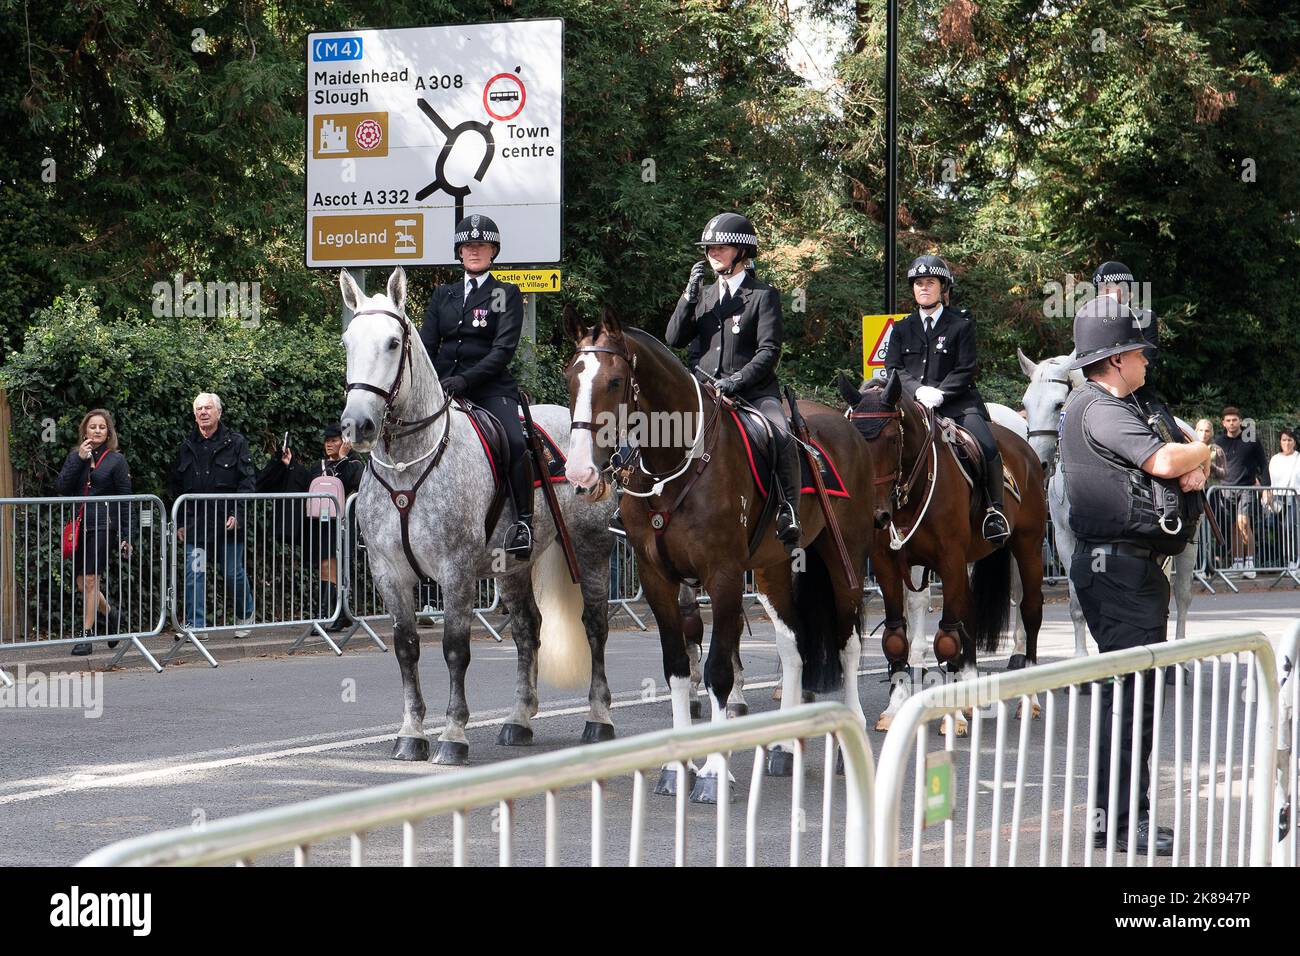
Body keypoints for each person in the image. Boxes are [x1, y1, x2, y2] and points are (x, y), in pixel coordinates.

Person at [1059, 295, 1209, 855]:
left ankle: (1118, 818)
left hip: (1126, 569)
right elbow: (1168, 462)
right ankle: (1123, 823)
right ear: (1117, 357)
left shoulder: (1116, 405)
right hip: (1118, 570)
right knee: (1131, 699)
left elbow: (1170, 464)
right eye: (1140, 350)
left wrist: (1187, 462)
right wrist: (1199, 450)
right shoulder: (1102, 408)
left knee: (1132, 696)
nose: (1147, 358)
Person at [665, 212, 800, 555]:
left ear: (741, 252)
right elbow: (674, 338)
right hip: (704, 393)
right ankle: (641, 504)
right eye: (709, 248)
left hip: (753, 394)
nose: (712, 253)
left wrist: (737, 380)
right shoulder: (705, 295)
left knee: (781, 434)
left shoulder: (763, 295)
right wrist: (688, 295)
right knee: (658, 429)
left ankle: (788, 510)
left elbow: (769, 351)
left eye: (720, 247)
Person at [420, 214, 533, 559]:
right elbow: (426, 345)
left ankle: (524, 522)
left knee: (515, 440)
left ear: (493, 251)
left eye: (481, 245)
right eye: (468, 246)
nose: (474, 251)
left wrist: (466, 379)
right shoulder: (443, 295)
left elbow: (502, 351)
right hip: (442, 387)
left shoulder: (506, 293)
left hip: (489, 388)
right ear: (459, 251)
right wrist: (432, 383)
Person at [885, 254, 1009, 544]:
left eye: (930, 282)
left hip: (957, 403)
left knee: (987, 446)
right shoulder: (901, 329)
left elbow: (966, 369)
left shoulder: (960, 326)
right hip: (913, 405)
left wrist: (941, 392)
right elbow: (894, 369)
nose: (923, 288)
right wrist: (917, 390)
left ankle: (994, 510)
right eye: (918, 283)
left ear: (943, 287)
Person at [256, 423, 364, 630]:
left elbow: (354, 482)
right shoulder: (319, 465)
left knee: (333, 566)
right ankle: (335, 613)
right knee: (326, 566)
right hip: (320, 526)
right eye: (327, 441)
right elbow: (305, 482)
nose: (329, 444)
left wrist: (342, 458)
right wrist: (291, 464)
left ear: (345, 442)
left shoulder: (354, 464)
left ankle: (327, 614)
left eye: (334, 440)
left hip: (341, 525)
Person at [169, 392, 256, 636]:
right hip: (196, 524)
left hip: (226, 523)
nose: (203, 412)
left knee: (231, 573)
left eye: (208, 408)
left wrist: (238, 514)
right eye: (199, 409)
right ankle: (196, 626)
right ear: (195, 415)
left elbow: (247, 482)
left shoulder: (236, 442)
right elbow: (176, 486)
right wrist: (181, 521)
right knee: (194, 574)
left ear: (218, 412)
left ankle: (245, 612)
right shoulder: (187, 446)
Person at [56, 409, 133, 656]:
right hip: (80, 526)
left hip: (103, 525)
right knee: (81, 583)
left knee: (91, 580)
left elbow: (125, 499)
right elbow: (63, 488)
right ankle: (111, 614)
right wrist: (78, 458)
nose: (97, 430)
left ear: (108, 432)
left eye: (102, 427)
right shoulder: (76, 456)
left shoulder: (116, 460)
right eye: (92, 427)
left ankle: (86, 636)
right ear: (85, 431)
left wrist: (126, 536)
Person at [1212, 406, 1269, 578]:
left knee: (1243, 523)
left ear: (1240, 421)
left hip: (1247, 487)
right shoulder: (1218, 442)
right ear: (1223, 423)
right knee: (1233, 528)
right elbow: (1213, 465)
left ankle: (1250, 563)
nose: (1231, 423)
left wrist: (1266, 488)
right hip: (1226, 489)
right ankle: (1237, 564)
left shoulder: (1251, 440)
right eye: (1228, 420)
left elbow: (1264, 464)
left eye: (1234, 420)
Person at [1266, 427, 1300, 570]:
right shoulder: (1275, 459)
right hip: (1277, 498)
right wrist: (1267, 496)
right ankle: (1284, 561)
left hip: (1295, 496)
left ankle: (1293, 561)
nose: (1286, 443)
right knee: (1277, 529)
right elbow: (1270, 480)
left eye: (1289, 440)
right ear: (1280, 442)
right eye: (1284, 440)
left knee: (1290, 528)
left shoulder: (1298, 458)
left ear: (1295, 442)